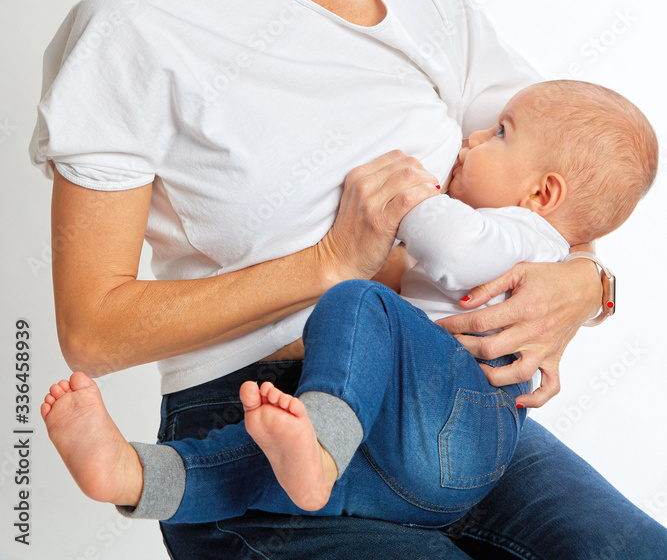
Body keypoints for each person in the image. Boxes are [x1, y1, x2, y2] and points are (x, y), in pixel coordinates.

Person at [28, 0, 667, 558]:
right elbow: (92, 329)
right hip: (255, 422)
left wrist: (583, 283)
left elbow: (563, 170)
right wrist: (328, 264)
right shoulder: (135, 29)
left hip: (451, 403)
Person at [39, 79, 659, 530]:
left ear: (541, 194)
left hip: (454, 417)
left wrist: (414, 198)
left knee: (360, 302)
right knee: (262, 468)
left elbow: (453, 250)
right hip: (414, 452)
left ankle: (319, 445)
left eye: (499, 133)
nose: (473, 136)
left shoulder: (523, 236)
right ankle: (135, 474)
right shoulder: (524, 227)